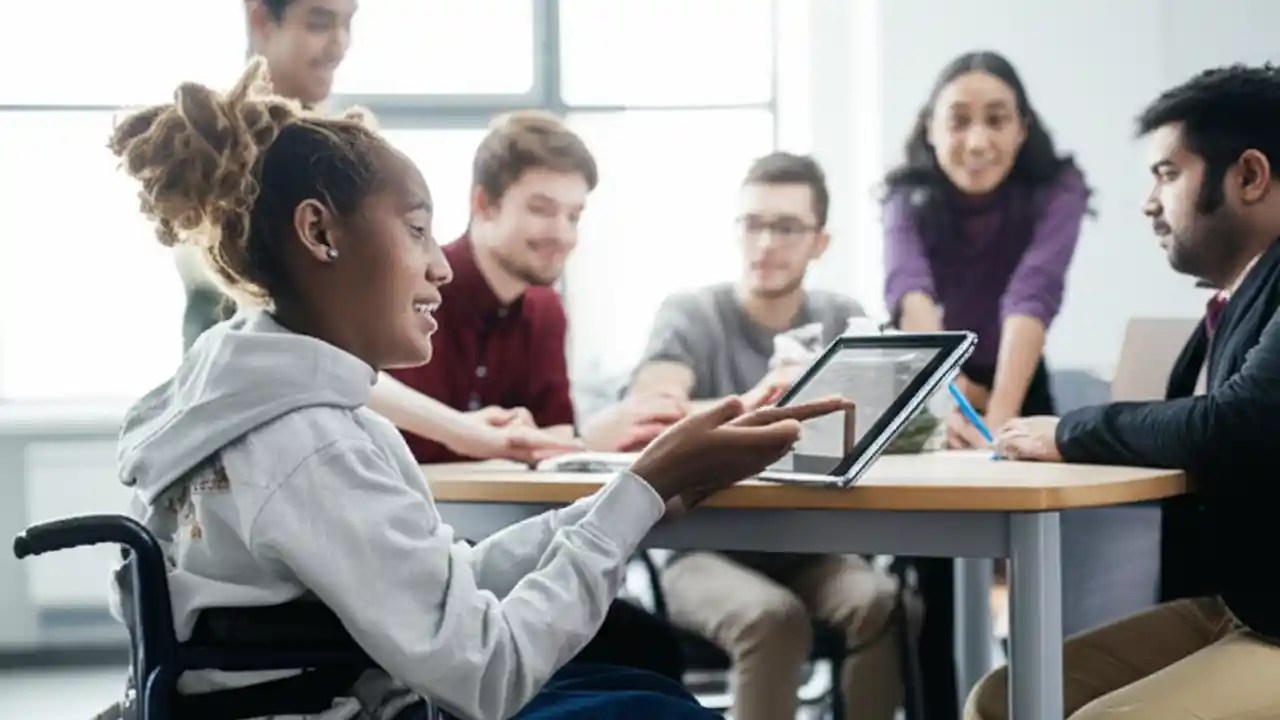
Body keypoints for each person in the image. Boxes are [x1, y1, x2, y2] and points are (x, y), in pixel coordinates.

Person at [109, 60, 852, 719]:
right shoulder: (309, 444)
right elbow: (488, 675)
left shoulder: (254, 404)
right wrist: (643, 492)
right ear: (319, 232)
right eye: (418, 230)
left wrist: (639, 489)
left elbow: (440, 583)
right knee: (659, 705)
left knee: (645, 688)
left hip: (353, 688)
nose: (440, 265)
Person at [968, 63, 1280, 719]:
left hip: (1272, 621)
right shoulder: (1234, 302)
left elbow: (1239, 423)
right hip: (1242, 604)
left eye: (1167, 173)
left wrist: (1069, 430)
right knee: (1001, 699)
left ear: (1249, 176)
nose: (1148, 201)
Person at [627, 152, 916, 720]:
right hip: (701, 547)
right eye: (752, 224)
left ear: (819, 242)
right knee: (772, 618)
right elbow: (652, 412)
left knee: (884, 602)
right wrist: (763, 395)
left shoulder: (842, 317)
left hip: (809, 545)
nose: (765, 243)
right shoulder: (691, 313)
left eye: (786, 228)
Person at [879, 50, 1091, 717]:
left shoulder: (1057, 187)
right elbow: (911, 296)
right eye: (959, 121)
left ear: (1022, 129)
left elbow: (1032, 294)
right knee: (934, 592)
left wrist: (997, 429)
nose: (977, 141)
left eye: (996, 120)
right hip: (932, 382)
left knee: (1043, 581)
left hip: (1020, 391)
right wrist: (950, 401)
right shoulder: (905, 196)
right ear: (931, 129)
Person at [372, 111, 687, 463]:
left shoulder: (546, 311)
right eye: (541, 210)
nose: (563, 234)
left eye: (573, 216)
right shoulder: (408, 285)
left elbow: (555, 433)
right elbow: (359, 390)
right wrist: (471, 433)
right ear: (484, 205)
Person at [177, 0, 356, 352]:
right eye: (319, 24)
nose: (340, 46)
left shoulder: (342, 145)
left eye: (348, 24)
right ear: (260, 19)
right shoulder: (215, 146)